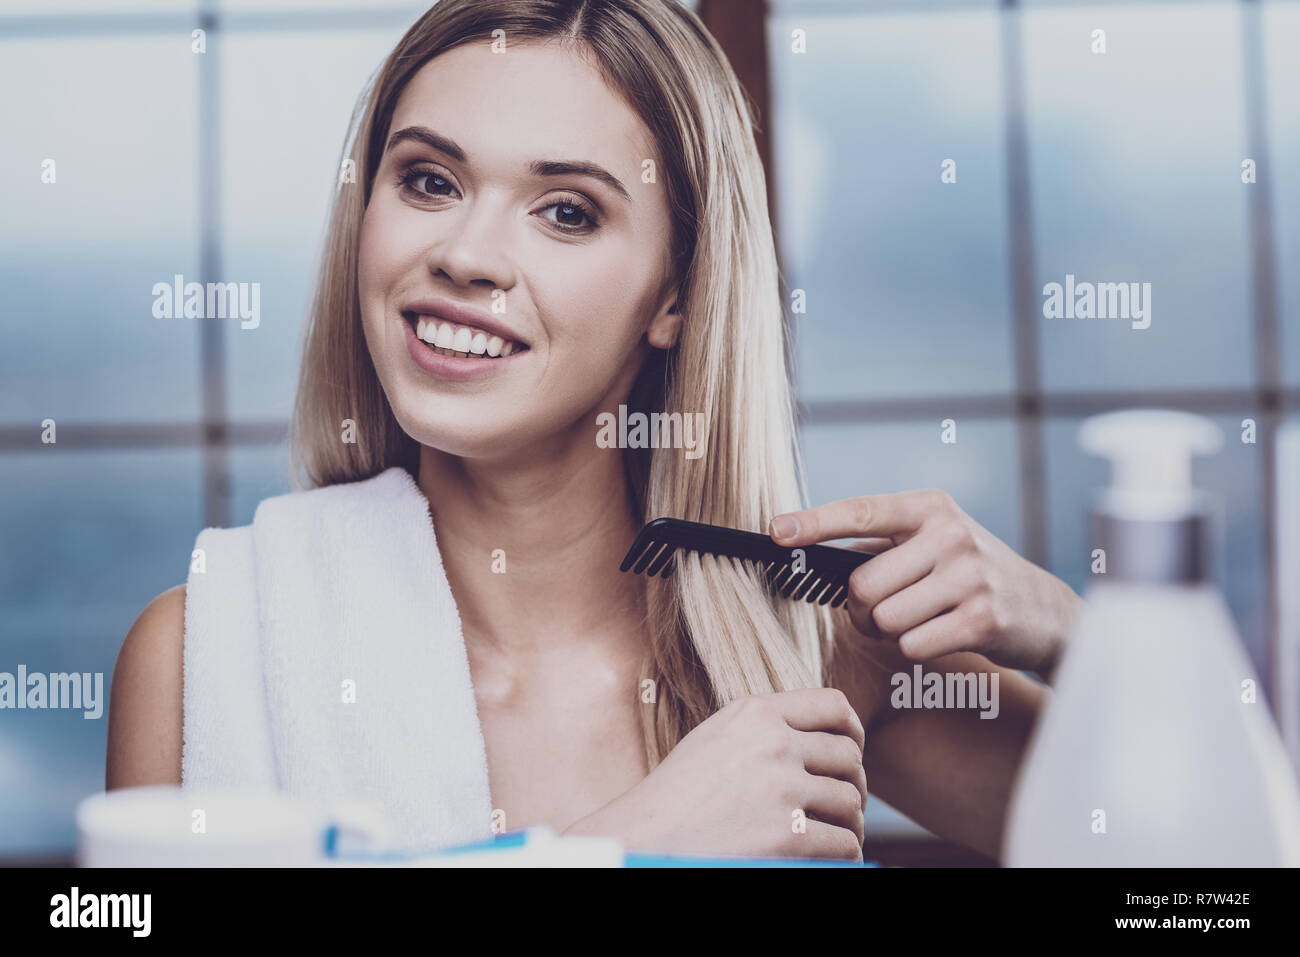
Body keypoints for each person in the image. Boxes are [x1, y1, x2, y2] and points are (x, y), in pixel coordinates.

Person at [107, 0, 1082, 863]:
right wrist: (625, 850)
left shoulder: (816, 654)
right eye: (430, 182)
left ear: (674, 296)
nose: (466, 254)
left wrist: (1078, 636)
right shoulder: (202, 652)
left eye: (566, 212)